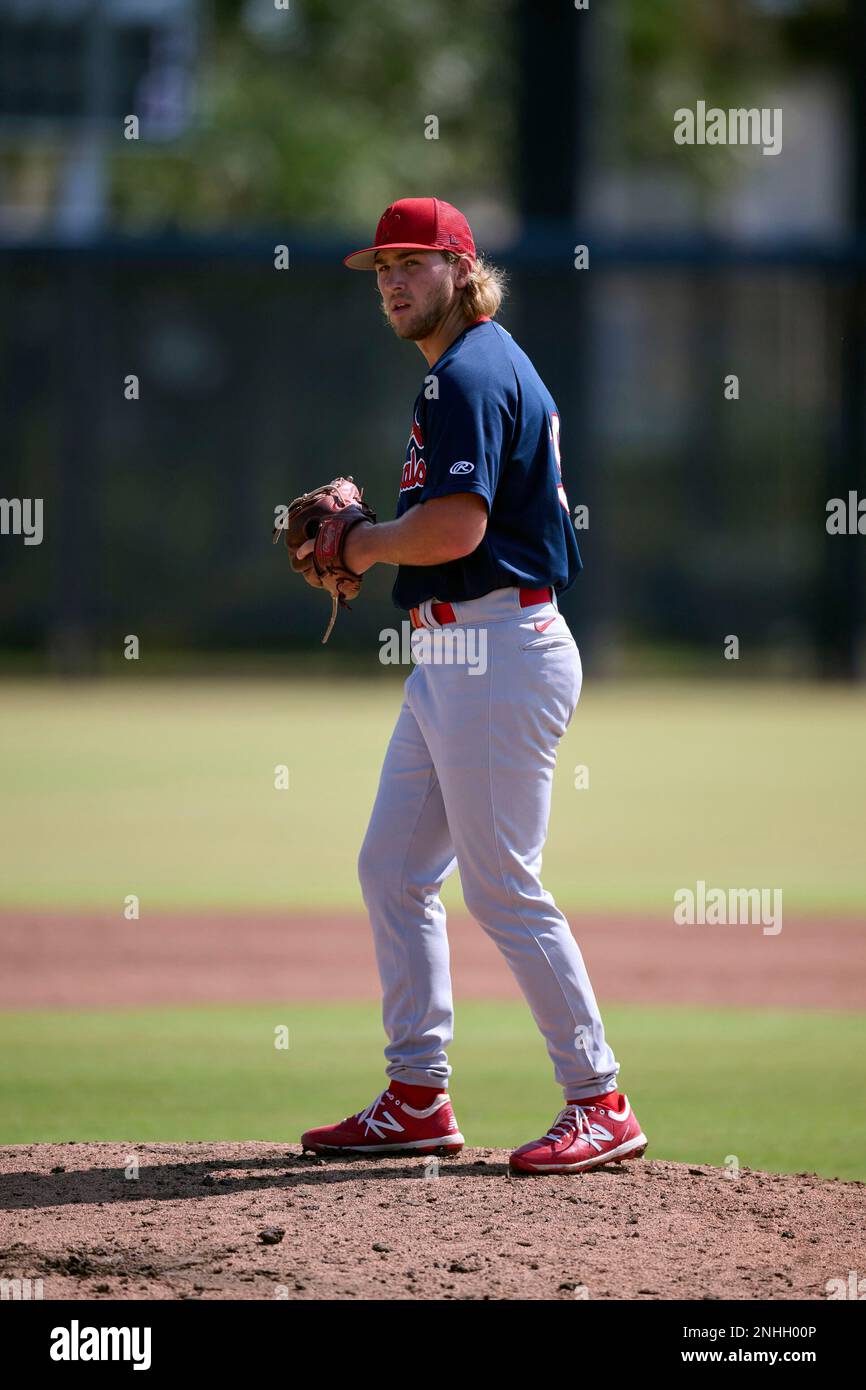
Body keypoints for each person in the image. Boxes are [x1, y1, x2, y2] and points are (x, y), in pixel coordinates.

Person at [294, 197, 646, 1174]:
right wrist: (375, 542)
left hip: (498, 646)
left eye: (413, 262)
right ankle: (417, 1094)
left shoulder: (467, 373)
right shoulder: (475, 369)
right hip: (457, 651)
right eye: (381, 269)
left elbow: (454, 530)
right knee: (393, 868)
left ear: (461, 268)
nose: (394, 281)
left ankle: (599, 1097)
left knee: (501, 886)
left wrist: (358, 542)